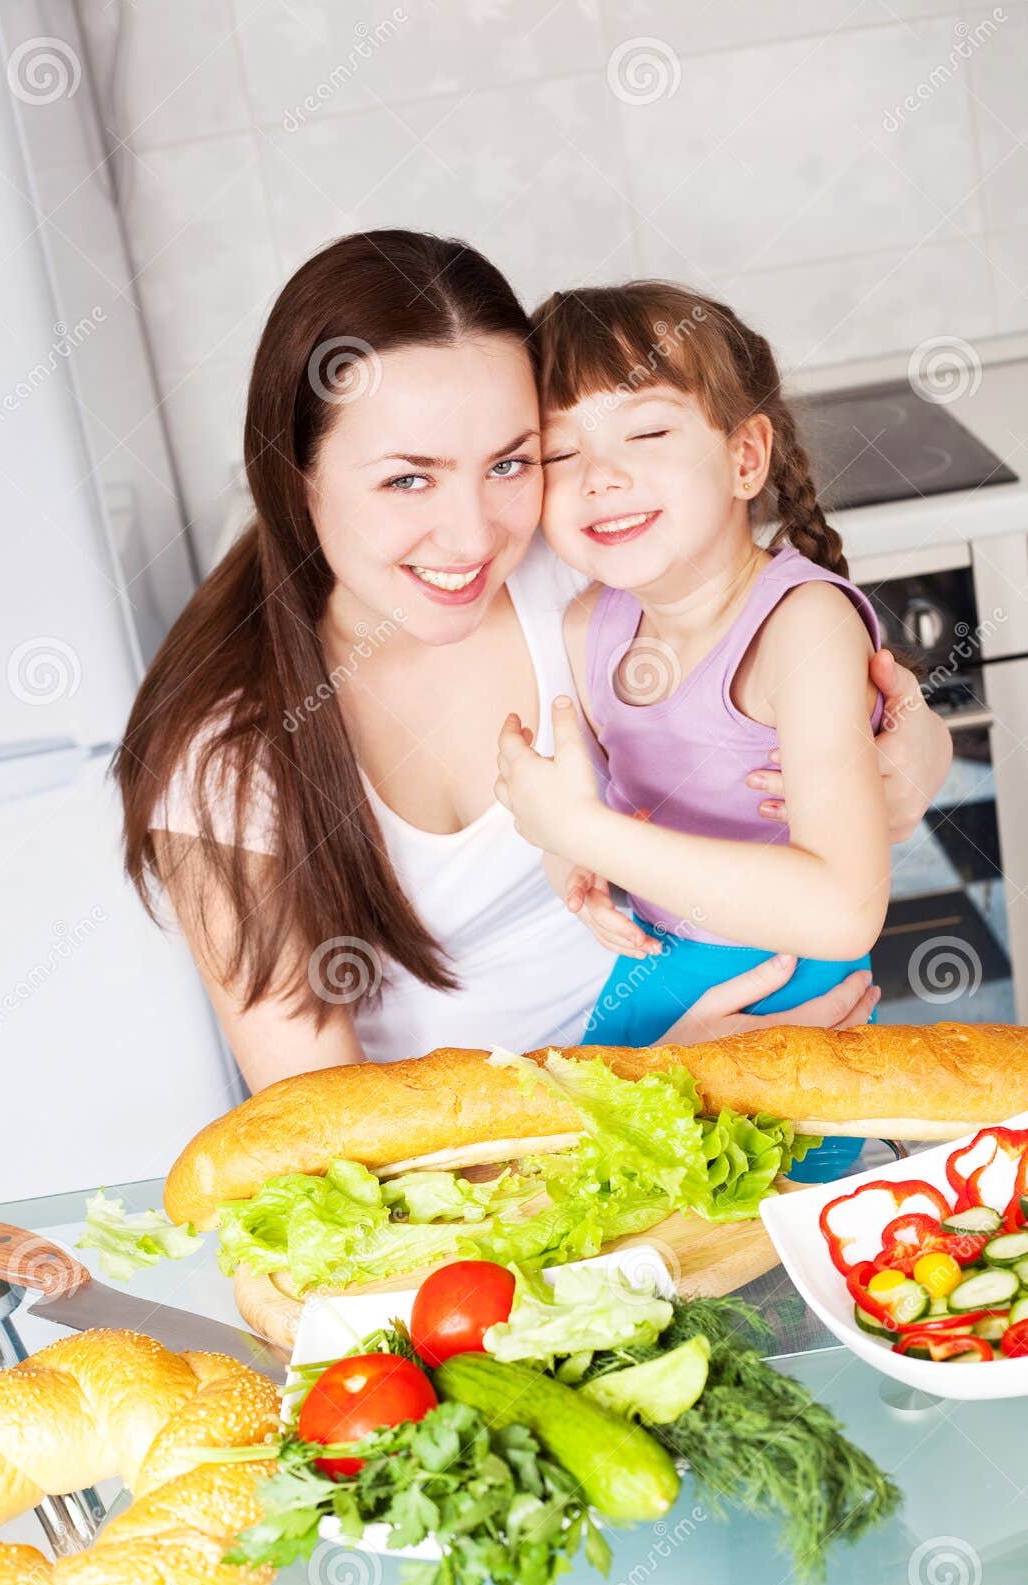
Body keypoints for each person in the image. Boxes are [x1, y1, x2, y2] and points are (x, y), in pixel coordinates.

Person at [115, 232, 951, 1102]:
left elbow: (775, 655)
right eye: (408, 480)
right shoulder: (229, 764)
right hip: (507, 1201)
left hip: (757, 1097)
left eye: (510, 463)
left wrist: (908, 746)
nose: (474, 537)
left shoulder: (579, 576)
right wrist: (649, 1082)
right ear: (296, 481)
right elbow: (324, 1146)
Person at [494, 281, 901, 1176]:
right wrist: (576, 863)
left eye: (646, 432)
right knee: (619, 1228)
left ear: (744, 457)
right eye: (560, 454)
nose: (601, 476)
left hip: (786, 997)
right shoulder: (584, 627)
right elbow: (602, 809)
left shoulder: (801, 628)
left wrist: (578, 829)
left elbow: (841, 912)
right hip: (653, 981)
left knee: (757, 1245)